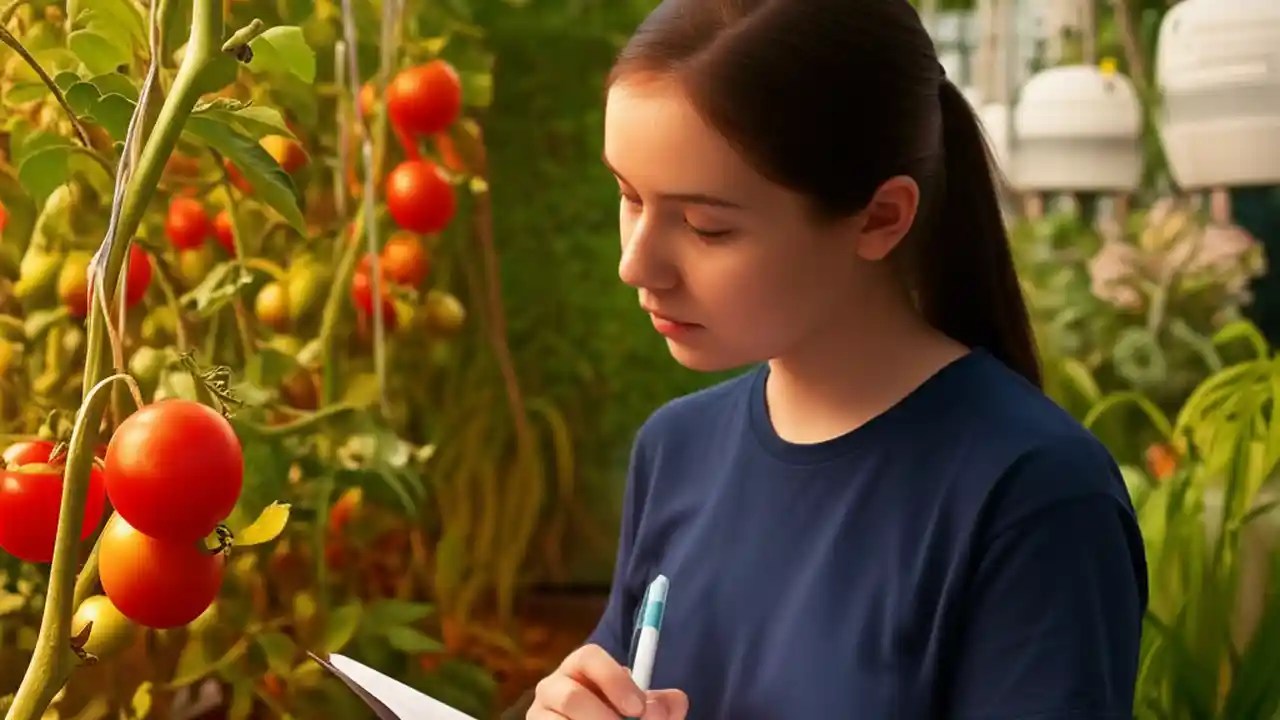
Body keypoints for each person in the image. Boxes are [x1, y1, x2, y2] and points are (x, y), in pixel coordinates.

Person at [526, 0, 1148, 717]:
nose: (636, 265)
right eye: (628, 196)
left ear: (881, 217)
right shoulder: (676, 451)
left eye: (707, 226)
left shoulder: (1033, 496)